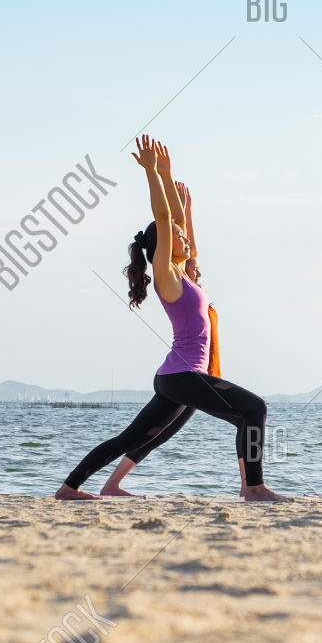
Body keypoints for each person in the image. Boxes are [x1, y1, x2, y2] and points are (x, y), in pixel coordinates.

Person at [56, 135, 281, 502]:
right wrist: (152, 174)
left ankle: (69, 489)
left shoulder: (184, 272)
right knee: (254, 408)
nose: (184, 238)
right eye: (177, 236)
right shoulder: (167, 275)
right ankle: (253, 488)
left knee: (133, 438)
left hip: (178, 377)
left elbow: (175, 222)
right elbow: (164, 218)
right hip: (181, 375)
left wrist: (175, 189)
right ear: (162, 245)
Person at [97, 179, 235, 496]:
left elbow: (188, 246)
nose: (196, 267)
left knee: (156, 435)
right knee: (139, 434)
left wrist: (186, 211)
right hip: (182, 373)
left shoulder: (188, 279)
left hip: (194, 372)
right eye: (190, 264)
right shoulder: (174, 278)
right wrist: (159, 174)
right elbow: (167, 228)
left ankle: (112, 485)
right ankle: (252, 486)